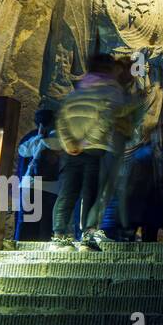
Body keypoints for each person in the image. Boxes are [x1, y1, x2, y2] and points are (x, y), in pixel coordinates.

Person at [49, 53, 137, 250]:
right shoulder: (111, 90)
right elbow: (106, 118)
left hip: (71, 151)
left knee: (67, 192)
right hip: (95, 148)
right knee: (92, 193)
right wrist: (88, 141)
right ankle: (87, 236)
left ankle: (59, 235)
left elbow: (62, 119)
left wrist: (69, 143)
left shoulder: (76, 91)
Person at [15, 109, 61, 242]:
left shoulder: (29, 138)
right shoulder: (55, 138)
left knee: (27, 220)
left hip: (29, 183)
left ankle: (22, 250)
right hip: (50, 186)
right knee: (46, 221)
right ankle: (44, 250)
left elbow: (22, 154)